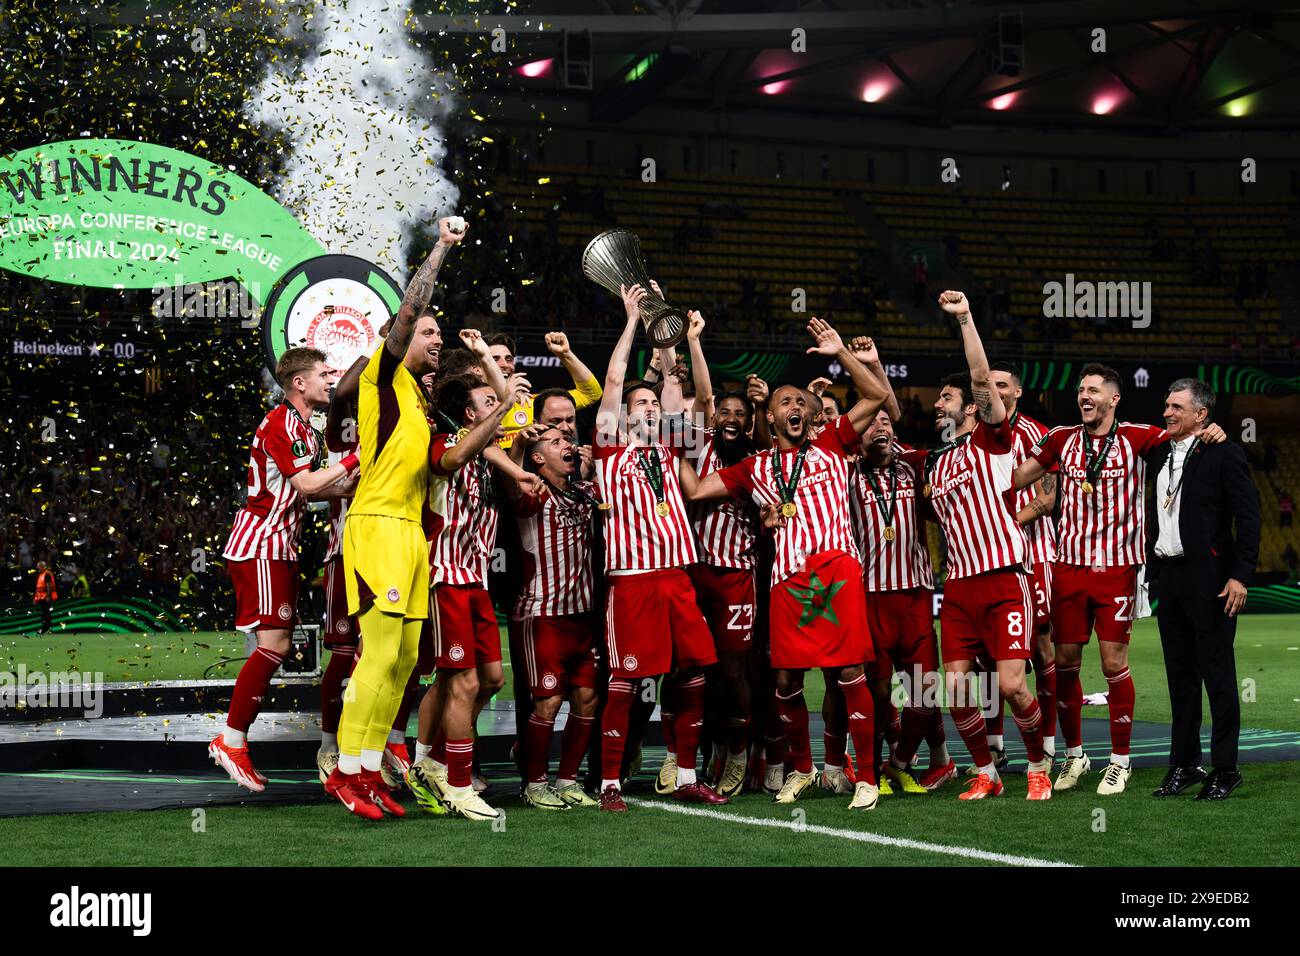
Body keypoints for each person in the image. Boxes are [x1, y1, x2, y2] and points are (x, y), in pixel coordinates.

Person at [685, 317, 891, 810]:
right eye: (785, 402)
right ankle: (803, 770)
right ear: (770, 419)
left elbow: (876, 397)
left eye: (802, 401)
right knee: (784, 681)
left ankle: (864, 776)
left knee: (847, 673)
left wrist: (840, 352)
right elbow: (695, 490)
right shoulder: (752, 467)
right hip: (786, 581)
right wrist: (669, 447)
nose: (795, 407)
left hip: (836, 568)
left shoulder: (833, 444)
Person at [1014, 365, 1225, 796]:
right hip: (1068, 568)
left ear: (1113, 399)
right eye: (1080, 390)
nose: (1083, 396)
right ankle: (1075, 755)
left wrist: (1213, 431)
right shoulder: (1059, 439)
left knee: (1113, 663)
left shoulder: (1139, 437)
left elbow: (1186, 437)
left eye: (1093, 390)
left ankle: (1120, 760)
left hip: (1118, 569)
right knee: (1066, 665)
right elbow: (1017, 478)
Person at [325, 216, 467, 820]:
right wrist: (438, 249)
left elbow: (447, 462)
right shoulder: (381, 379)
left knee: (406, 660)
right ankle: (347, 772)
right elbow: (408, 313)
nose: (436, 339)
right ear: (397, 339)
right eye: (428, 332)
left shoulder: (419, 397)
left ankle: (372, 765)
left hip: (411, 533)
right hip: (377, 524)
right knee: (379, 655)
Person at [900, 292, 1050, 801]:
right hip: (959, 588)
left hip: (1006, 578)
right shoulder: (934, 463)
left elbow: (984, 379)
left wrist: (965, 317)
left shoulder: (991, 439)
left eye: (945, 398)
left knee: (1010, 685)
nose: (935, 404)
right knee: (958, 688)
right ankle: (984, 770)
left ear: (969, 407)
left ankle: (1037, 765)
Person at [591, 283, 724, 812]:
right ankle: (609, 785)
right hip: (632, 581)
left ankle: (687, 773)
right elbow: (615, 379)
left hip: (677, 577)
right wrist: (629, 322)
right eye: (638, 404)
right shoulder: (609, 450)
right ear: (622, 415)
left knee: (692, 672)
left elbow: (677, 382)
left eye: (652, 403)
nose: (648, 406)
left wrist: (664, 322)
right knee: (625, 682)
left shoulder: (672, 447)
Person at [210, 347, 358, 794]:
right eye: (322, 374)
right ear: (299, 383)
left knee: (277, 644)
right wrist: (354, 459)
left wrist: (357, 477)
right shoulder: (282, 422)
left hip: (279, 547)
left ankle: (234, 740)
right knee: (274, 644)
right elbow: (310, 484)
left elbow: (312, 493)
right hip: (260, 545)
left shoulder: (305, 429)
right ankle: (231, 740)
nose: (329, 380)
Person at [405, 333, 532, 821]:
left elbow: (505, 427)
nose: (495, 404)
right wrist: (499, 414)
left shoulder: (485, 450)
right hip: (444, 577)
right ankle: (456, 782)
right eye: (485, 401)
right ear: (469, 412)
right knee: (460, 681)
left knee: (491, 679)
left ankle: (435, 762)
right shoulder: (446, 442)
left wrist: (515, 465)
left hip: (474, 580)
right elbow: (455, 456)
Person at [1147, 379, 1259, 800]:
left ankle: (1226, 768)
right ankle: (1185, 764)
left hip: (1211, 582)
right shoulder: (1157, 452)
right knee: (1180, 679)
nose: (1167, 413)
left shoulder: (1224, 453)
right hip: (1170, 579)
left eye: (1176, 407)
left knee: (1218, 676)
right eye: (1166, 405)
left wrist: (1240, 575)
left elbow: (1249, 519)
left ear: (1201, 414)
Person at [505, 426, 601, 809]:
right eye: (556, 442)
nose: (568, 445)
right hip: (542, 612)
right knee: (548, 701)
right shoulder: (532, 489)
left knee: (588, 699)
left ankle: (567, 780)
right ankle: (535, 783)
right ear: (538, 457)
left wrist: (596, 468)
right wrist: (517, 448)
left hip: (583, 614)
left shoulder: (586, 492)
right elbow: (514, 490)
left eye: (568, 440)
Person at [486, 332, 602, 449]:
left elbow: (590, 394)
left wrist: (565, 355)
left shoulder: (532, 403)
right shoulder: (472, 408)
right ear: (477, 368)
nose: (504, 364)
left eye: (509, 359)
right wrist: (505, 400)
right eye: (494, 359)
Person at [33, 561, 57, 634]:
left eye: (39, 566)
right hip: (42, 598)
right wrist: (35, 598)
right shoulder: (41, 574)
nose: (37, 568)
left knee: (46, 614)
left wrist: (48, 596)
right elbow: (39, 588)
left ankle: (46, 629)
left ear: (43, 566)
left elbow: (48, 585)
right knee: (44, 614)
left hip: (46, 598)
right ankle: (45, 629)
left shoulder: (46, 574)